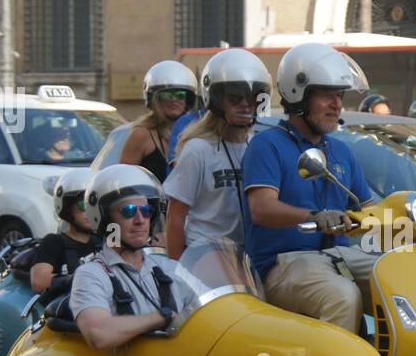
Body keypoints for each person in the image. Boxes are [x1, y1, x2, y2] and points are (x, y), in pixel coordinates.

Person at [243, 42, 377, 333]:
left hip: (340, 257)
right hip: (285, 263)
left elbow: (368, 209)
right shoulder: (267, 145)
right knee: (342, 297)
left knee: (405, 280)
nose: (337, 104)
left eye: (339, 96)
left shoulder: (341, 151)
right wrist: (313, 217)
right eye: (326, 95)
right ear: (298, 94)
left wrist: (399, 220)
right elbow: (261, 208)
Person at [70, 164, 200, 351]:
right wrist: (161, 317)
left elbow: (211, 309)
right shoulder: (91, 274)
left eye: (146, 211)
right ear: (106, 220)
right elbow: (98, 334)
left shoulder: (169, 268)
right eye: (128, 211)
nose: (140, 220)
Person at [162, 49, 270, 258]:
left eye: (253, 97)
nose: (245, 104)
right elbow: (175, 217)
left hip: (246, 258)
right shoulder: (198, 149)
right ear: (216, 100)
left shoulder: (257, 146)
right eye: (236, 97)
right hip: (205, 255)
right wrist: (174, 270)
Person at [121, 60, 198, 184]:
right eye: (166, 95)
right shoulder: (142, 135)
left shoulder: (196, 134)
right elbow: (124, 180)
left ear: (187, 100)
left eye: (180, 95)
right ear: (154, 100)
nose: (174, 100)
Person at [30, 168, 98, 295]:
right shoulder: (54, 242)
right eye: (83, 204)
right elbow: (38, 281)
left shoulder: (103, 242)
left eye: (94, 204)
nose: (90, 211)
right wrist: (83, 280)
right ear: (67, 208)